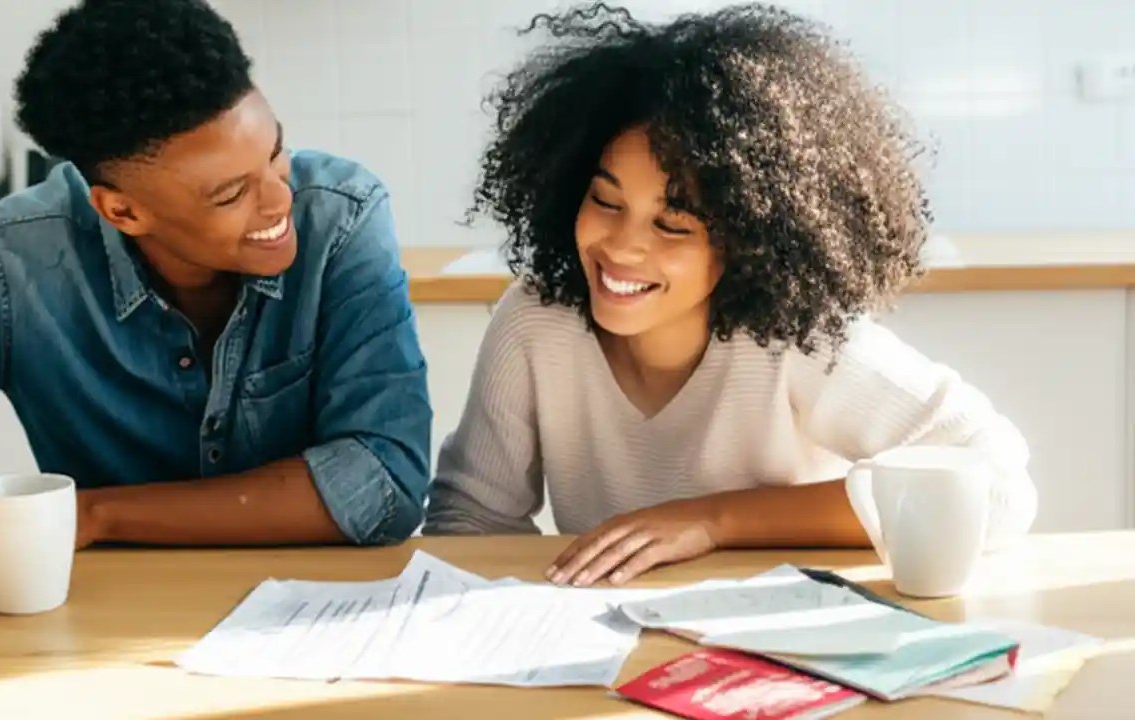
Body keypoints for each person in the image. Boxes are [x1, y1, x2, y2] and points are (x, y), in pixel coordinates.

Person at [424, 3, 1036, 587]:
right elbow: (468, 520)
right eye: (606, 202)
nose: (623, 248)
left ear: (747, 239)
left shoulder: (795, 341)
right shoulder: (536, 322)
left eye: (673, 225)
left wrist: (713, 520)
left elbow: (1001, 485)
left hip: (778, 648)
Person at [0, 0, 431, 601]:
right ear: (122, 210)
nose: (278, 200)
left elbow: (383, 481)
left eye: (274, 153)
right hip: (96, 623)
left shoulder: (342, 217)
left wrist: (98, 514)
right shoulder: (8, 265)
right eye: (232, 193)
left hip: (324, 615)